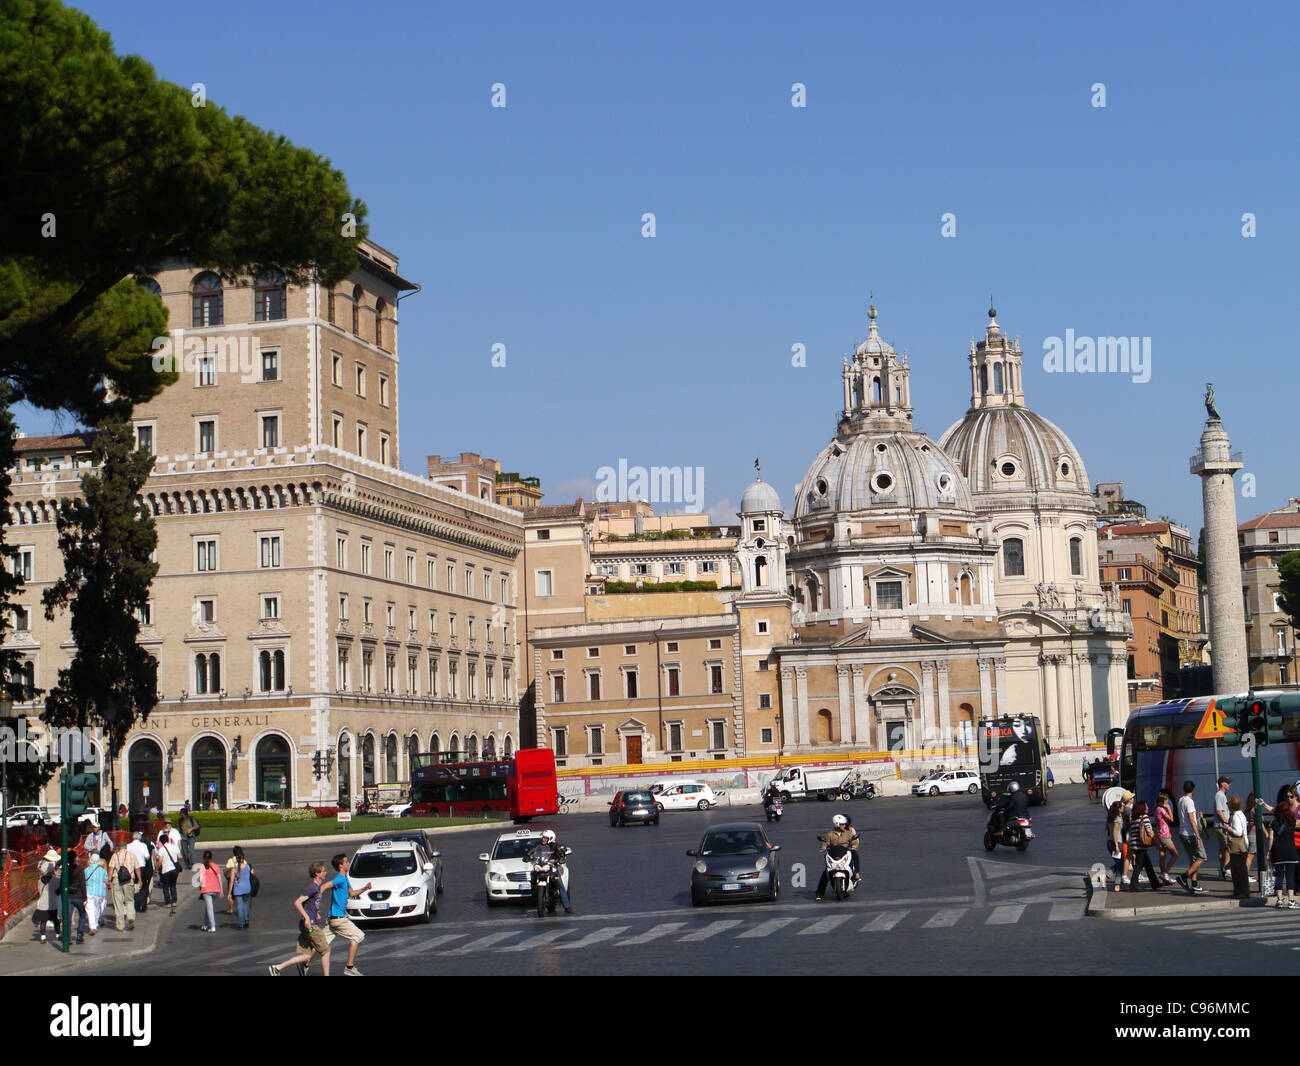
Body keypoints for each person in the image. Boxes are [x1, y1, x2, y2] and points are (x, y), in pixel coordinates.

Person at [268, 861, 333, 976]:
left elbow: (310, 904)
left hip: (308, 924)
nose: (325, 872)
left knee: (306, 956)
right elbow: (297, 902)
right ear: (317, 874)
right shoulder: (312, 887)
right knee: (325, 950)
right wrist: (307, 918)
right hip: (310, 926)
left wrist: (316, 912)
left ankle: (277, 968)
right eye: (323, 871)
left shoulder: (316, 888)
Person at [323, 853, 372, 977]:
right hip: (339, 919)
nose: (348, 863)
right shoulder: (339, 879)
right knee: (358, 936)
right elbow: (324, 886)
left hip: (333, 919)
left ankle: (304, 963)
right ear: (341, 865)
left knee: (321, 943)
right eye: (346, 862)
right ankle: (349, 967)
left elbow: (352, 893)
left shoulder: (345, 879)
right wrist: (315, 899)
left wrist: (365, 888)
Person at [524, 829, 571, 913]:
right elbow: (533, 850)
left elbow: (562, 853)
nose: (543, 839)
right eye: (543, 837)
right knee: (532, 873)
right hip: (541, 865)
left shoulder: (556, 846)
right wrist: (527, 856)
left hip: (552, 866)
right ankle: (534, 891)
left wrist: (561, 857)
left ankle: (567, 906)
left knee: (560, 884)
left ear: (551, 838)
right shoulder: (538, 845)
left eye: (545, 838)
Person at [815, 813, 860, 901]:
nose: (844, 826)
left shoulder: (848, 833)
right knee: (826, 873)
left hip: (845, 853)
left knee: (855, 854)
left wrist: (854, 846)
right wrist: (823, 847)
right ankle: (819, 894)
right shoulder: (830, 834)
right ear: (837, 825)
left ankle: (856, 873)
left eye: (844, 824)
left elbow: (854, 841)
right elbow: (825, 844)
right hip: (834, 855)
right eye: (842, 824)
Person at [1176, 779, 1207, 894]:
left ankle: (1194, 884)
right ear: (1193, 789)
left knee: (1194, 859)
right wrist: (1198, 837)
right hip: (1190, 834)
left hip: (1182, 833)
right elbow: (1191, 820)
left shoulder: (1180, 800)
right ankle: (1183, 876)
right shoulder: (1189, 802)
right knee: (1202, 857)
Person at [1126, 800, 1162, 892]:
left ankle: (1155, 883)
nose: (1148, 808)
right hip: (1140, 845)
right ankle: (1133, 886)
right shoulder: (1144, 817)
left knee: (1148, 864)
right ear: (1142, 808)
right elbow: (1149, 831)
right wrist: (1157, 843)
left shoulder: (1134, 818)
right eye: (1146, 806)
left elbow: (1131, 832)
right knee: (1138, 865)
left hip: (1134, 844)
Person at [1269, 797, 1298, 908]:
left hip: (1277, 852)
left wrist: (1269, 850)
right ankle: (1291, 900)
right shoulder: (1292, 822)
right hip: (1291, 852)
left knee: (1279, 876)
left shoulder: (1273, 822)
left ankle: (1279, 900)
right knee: (1290, 876)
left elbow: (1271, 838)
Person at [107, 840, 141, 932]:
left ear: (118, 847)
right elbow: (137, 868)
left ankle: (120, 925)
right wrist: (139, 880)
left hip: (117, 879)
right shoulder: (132, 855)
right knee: (129, 900)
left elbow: (110, 868)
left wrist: (109, 880)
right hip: (129, 879)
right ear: (126, 846)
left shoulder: (115, 855)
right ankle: (131, 917)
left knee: (118, 902)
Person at [33, 847, 62, 943]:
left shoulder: (40, 881)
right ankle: (58, 934)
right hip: (53, 904)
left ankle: (43, 936)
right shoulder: (56, 880)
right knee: (55, 920)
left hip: (43, 904)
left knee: (43, 921)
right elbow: (58, 890)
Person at [1226, 794, 1251, 898]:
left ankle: (1240, 891)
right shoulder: (1241, 814)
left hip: (1238, 847)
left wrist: (1228, 828)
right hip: (1244, 844)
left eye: (1228, 803)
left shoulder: (1236, 816)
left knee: (1237, 870)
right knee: (1242, 870)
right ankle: (1243, 891)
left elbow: (1238, 832)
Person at [64, 846, 90, 944]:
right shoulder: (79, 869)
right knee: (82, 915)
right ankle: (79, 933)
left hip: (69, 896)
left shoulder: (65, 869)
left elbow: (62, 883)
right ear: (75, 859)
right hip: (78, 896)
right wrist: (85, 898)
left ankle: (68, 937)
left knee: (68, 917)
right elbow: (83, 884)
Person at [154, 828, 181, 916]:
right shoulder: (174, 847)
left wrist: (157, 869)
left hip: (165, 870)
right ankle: (174, 901)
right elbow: (180, 856)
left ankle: (168, 902)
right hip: (174, 869)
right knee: (173, 885)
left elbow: (160, 861)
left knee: (165, 886)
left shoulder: (161, 849)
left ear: (161, 841)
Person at [1154, 789, 1179, 885]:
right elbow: (1172, 819)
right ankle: (1165, 873)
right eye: (1166, 801)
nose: (1167, 803)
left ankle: (1164, 876)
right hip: (1164, 835)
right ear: (1162, 802)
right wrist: (1168, 808)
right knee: (1175, 854)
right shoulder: (1162, 810)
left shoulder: (1156, 809)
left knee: (1162, 855)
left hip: (1159, 834)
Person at [226, 845, 255, 929]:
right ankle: (246, 919)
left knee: (240, 907)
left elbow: (231, 881)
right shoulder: (248, 866)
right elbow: (252, 874)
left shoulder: (234, 869)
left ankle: (241, 923)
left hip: (238, 890)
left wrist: (229, 893)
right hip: (247, 888)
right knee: (245, 905)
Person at [197, 850, 223, 932]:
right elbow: (220, 878)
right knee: (208, 907)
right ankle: (205, 924)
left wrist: (198, 880)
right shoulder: (215, 866)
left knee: (209, 908)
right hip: (215, 889)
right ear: (211, 857)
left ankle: (213, 926)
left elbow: (201, 880)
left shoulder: (202, 867)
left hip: (206, 890)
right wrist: (221, 890)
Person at [127, 831, 153, 913]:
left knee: (134, 887)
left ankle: (136, 905)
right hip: (142, 868)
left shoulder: (129, 846)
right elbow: (147, 857)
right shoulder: (143, 845)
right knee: (143, 887)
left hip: (132, 868)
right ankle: (143, 905)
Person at [84, 851, 109, 934]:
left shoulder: (86, 870)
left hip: (89, 892)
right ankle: (95, 924)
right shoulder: (103, 871)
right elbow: (106, 881)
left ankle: (93, 927)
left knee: (90, 909)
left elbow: (84, 881)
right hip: (100, 892)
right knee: (97, 908)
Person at [1213, 776, 1232, 880]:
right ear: (1222, 784)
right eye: (1228, 783)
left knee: (1223, 848)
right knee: (1228, 848)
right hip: (1221, 826)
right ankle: (1226, 870)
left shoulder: (1222, 795)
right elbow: (1219, 811)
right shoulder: (1219, 795)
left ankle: (1222, 870)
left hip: (1220, 826)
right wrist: (1226, 821)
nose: (1229, 785)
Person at [1106, 800, 1127, 891]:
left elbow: (1107, 828)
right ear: (1118, 809)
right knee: (1120, 865)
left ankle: (1108, 874)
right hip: (1116, 843)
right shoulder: (1118, 819)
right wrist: (1117, 846)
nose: (1123, 808)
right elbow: (1115, 833)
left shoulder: (1110, 817)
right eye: (1122, 807)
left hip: (1109, 843)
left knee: (1119, 863)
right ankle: (1117, 884)